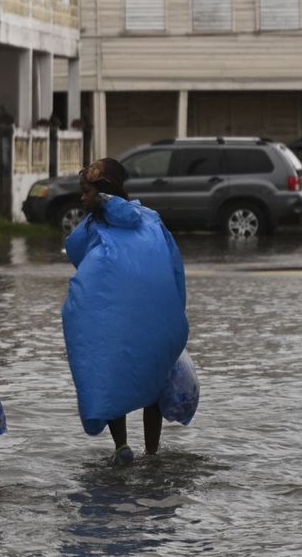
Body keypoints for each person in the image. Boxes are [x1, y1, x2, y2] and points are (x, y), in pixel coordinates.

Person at [61, 158, 190, 465]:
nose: (82, 198)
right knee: (154, 378)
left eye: (86, 192)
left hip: (115, 321)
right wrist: (177, 314)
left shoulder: (95, 227)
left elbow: (76, 252)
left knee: (110, 372)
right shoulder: (152, 219)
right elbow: (175, 268)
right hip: (158, 318)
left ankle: (121, 446)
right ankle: (153, 453)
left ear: (102, 194)